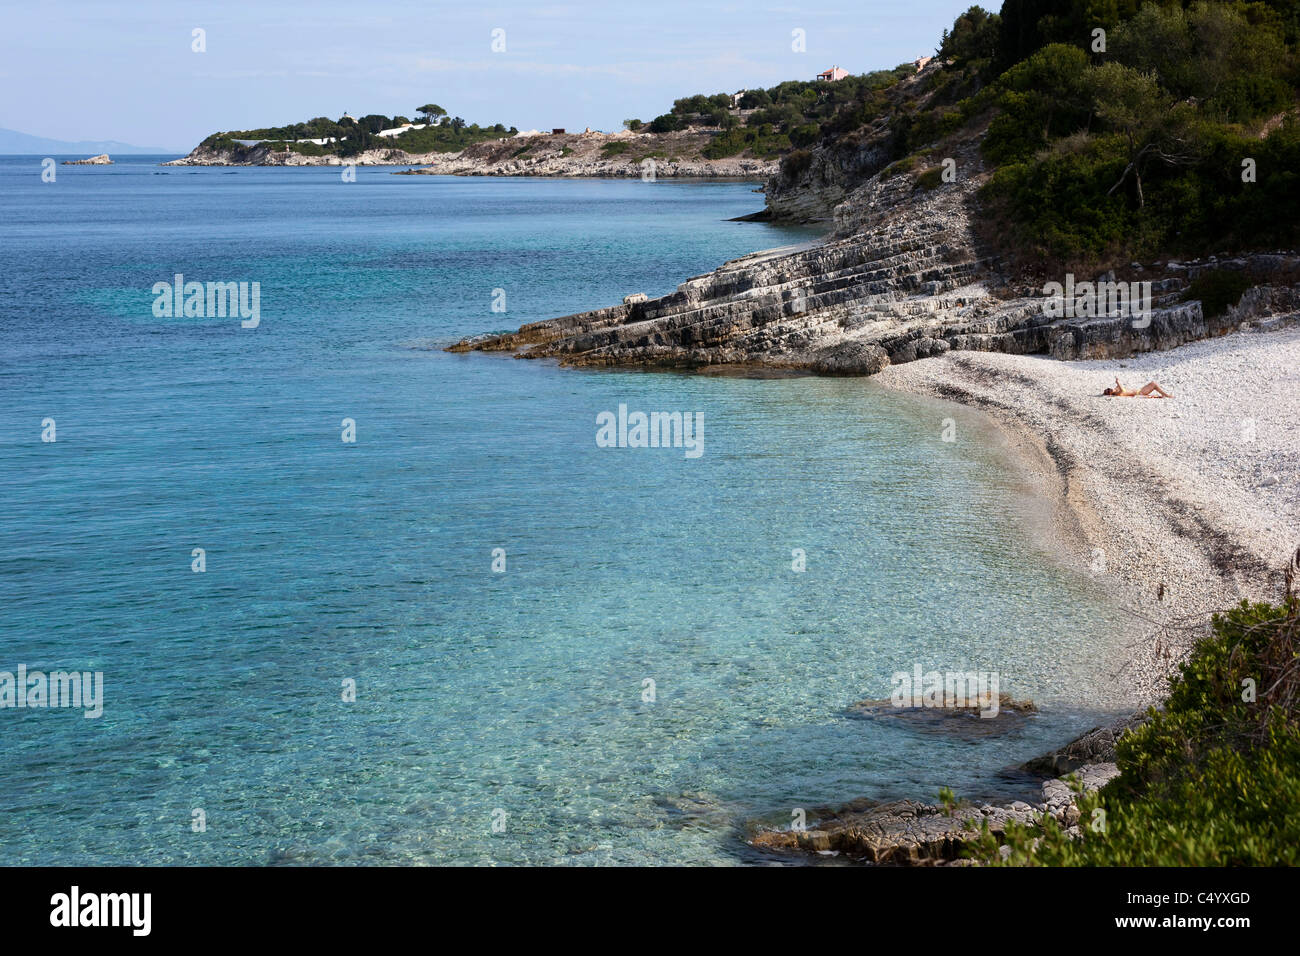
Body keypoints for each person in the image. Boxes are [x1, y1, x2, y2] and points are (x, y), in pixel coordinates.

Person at [1102, 376, 1173, 398]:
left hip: (1140, 390)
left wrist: (1117, 383)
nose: (1109, 390)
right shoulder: (1117, 393)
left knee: (1153, 384)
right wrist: (1118, 382)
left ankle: (1164, 394)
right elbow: (1122, 391)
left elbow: (1119, 387)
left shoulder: (1116, 389)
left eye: (1107, 389)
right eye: (1108, 391)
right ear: (1110, 394)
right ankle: (1165, 395)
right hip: (1140, 393)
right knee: (1153, 384)